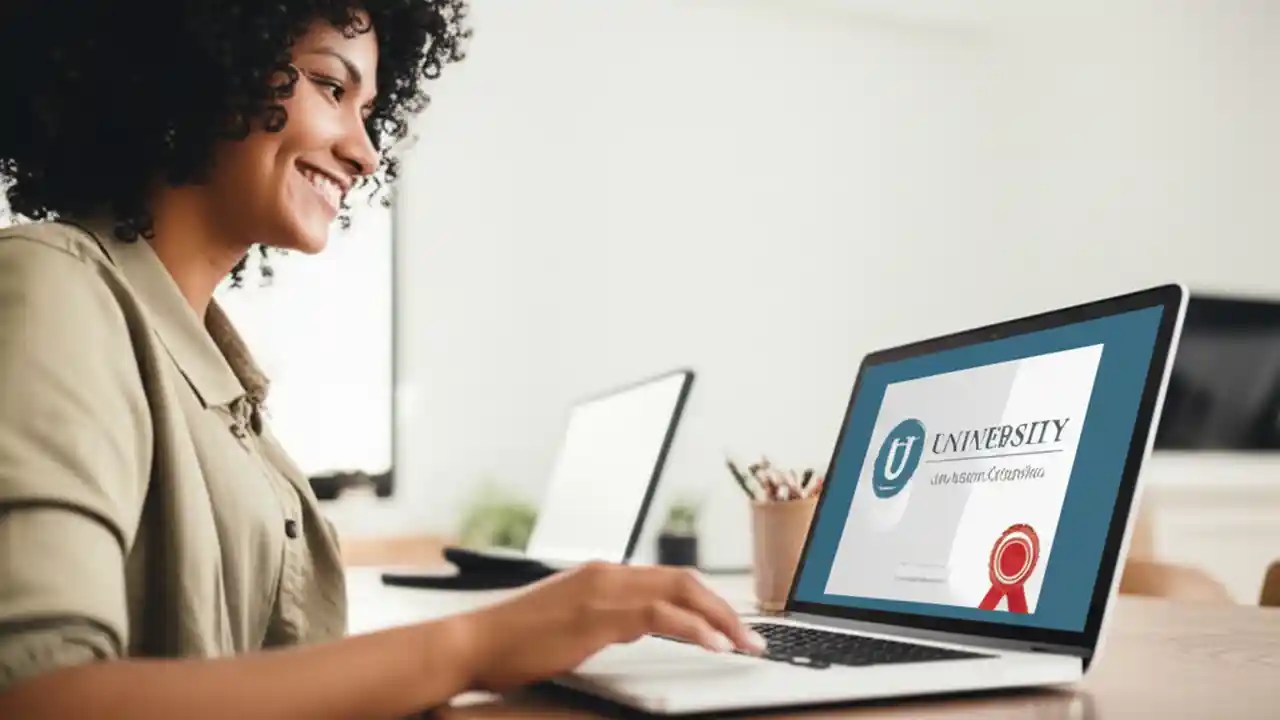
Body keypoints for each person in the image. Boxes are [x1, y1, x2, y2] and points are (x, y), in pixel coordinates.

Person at [0, 1, 765, 717]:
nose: (365, 153)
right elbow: (37, 695)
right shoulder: (53, 286)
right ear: (194, 66)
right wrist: (474, 644)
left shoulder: (216, 378)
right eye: (332, 85)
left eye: (368, 111)